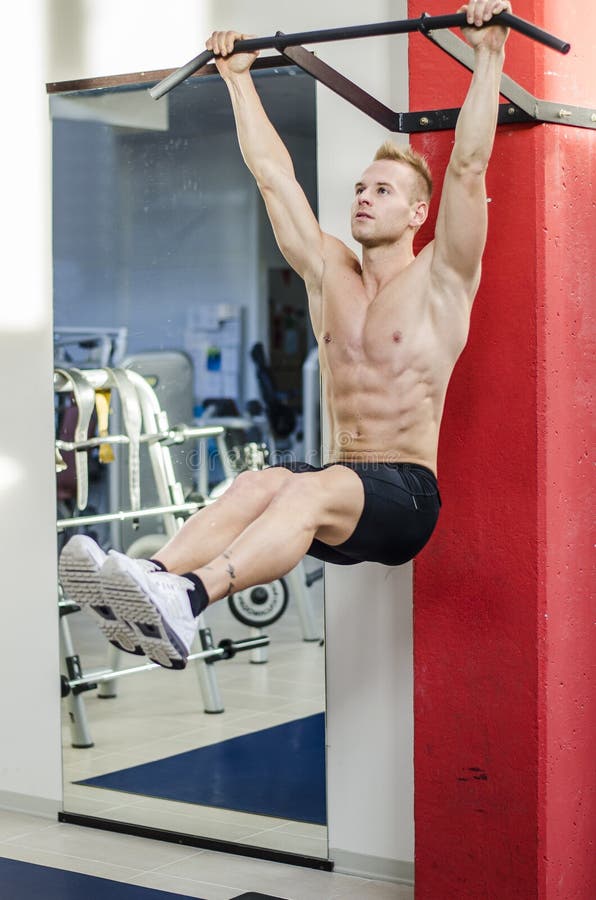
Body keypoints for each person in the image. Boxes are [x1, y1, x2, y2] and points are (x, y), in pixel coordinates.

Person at [59, 1, 512, 670]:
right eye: (359, 188)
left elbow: (470, 169)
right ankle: (149, 580)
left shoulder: (443, 278)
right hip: (339, 486)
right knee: (256, 483)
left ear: (419, 211)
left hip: (406, 497)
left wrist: (490, 54)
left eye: (381, 190)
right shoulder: (330, 273)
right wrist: (239, 77)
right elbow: (274, 178)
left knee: (303, 487)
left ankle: (189, 596)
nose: (362, 196)